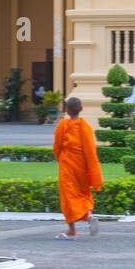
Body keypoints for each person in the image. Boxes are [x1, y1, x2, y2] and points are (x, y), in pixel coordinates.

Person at [53, 96, 104, 239]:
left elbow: (56, 147)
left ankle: (72, 230)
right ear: (81, 109)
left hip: (68, 165)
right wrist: (91, 170)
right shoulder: (85, 126)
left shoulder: (62, 125)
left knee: (68, 196)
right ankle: (88, 214)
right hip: (81, 165)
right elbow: (90, 150)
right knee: (83, 192)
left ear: (66, 110)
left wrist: (61, 159)